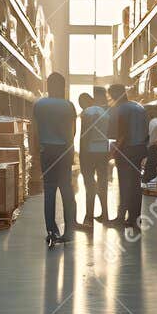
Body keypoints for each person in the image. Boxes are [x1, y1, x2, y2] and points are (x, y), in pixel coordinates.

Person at [32, 73, 78, 244]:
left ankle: (51, 231)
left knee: (49, 190)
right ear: (63, 87)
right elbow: (73, 131)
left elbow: (34, 130)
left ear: (48, 86)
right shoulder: (69, 106)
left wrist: (36, 152)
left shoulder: (39, 105)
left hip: (46, 150)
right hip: (64, 150)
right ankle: (69, 231)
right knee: (66, 189)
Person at [106, 83, 149, 230]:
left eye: (110, 95)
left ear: (115, 94)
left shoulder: (121, 109)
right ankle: (134, 218)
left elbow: (123, 133)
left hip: (127, 150)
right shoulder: (139, 107)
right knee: (136, 185)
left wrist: (113, 152)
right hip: (140, 149)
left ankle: (120, 218)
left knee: (124, 184)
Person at [78, 92, 112, 225]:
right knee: (103, 183)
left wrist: (81, 154)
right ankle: (105, 214)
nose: (82, 107)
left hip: (89, 152)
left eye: (82, 104)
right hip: (103, 150)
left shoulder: (87, 113)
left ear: (86, 101)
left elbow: (85, 134)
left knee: (89, 184)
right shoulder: (105, 113)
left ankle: (89, 216)